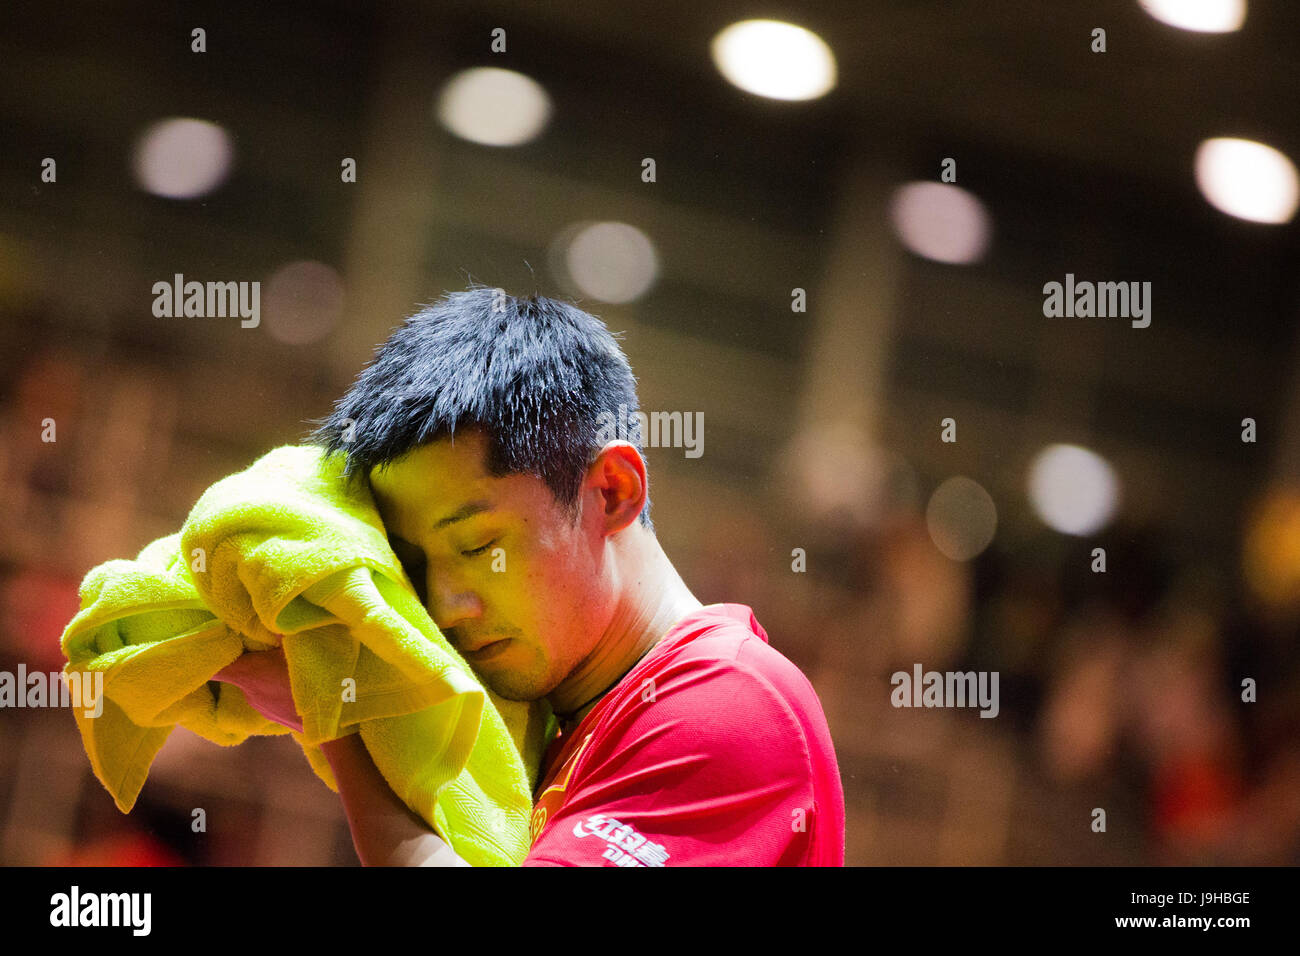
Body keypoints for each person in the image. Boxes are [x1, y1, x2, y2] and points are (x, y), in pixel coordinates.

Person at [216, 286, 845, 866]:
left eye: (478, 545)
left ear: (612, 491)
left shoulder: (730, 707)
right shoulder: (553, 724)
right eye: (416, 565)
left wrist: (336, 711)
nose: (446, 606)